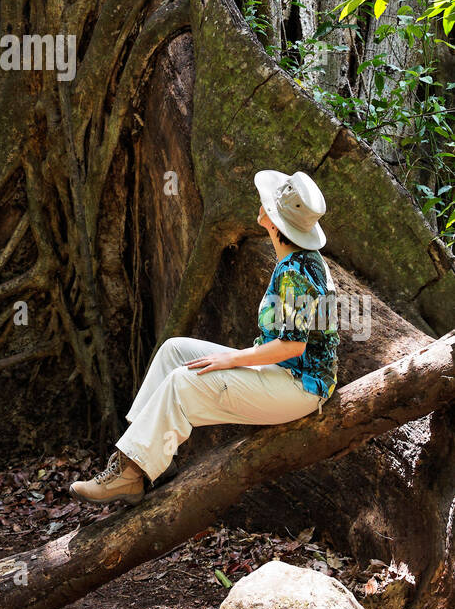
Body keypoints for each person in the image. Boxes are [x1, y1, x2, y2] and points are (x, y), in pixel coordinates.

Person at [70, 169, 340, 506]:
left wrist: (230, 359)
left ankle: (129, 474)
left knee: (185, 382)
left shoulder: (295, 273)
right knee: (174, 351)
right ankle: (145, 461)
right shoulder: (304, 260)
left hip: (300, 386)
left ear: (272, 219)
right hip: (286, 371)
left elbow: (292, 345)